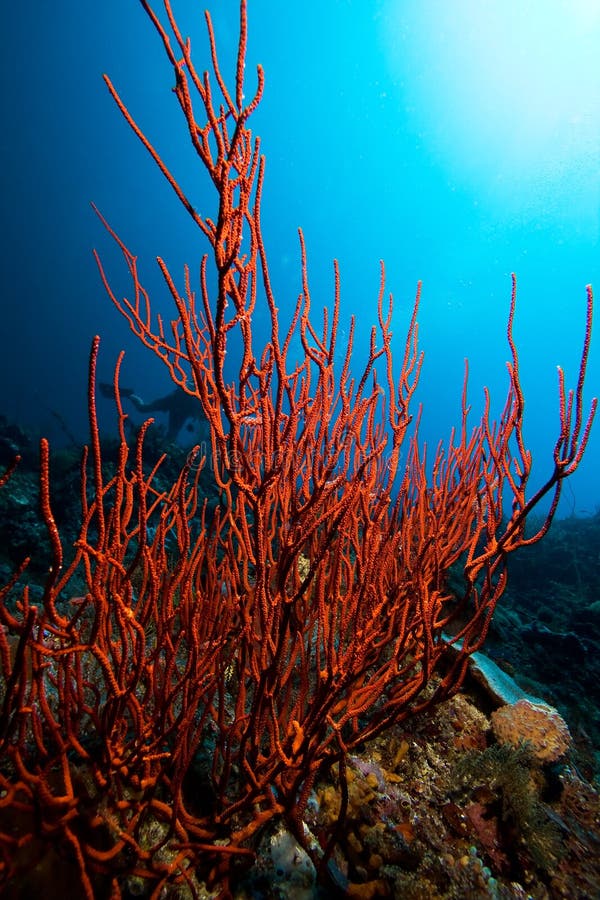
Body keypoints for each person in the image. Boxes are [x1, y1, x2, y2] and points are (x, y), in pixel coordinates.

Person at [99, 383, 206, 443]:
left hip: (181, 411)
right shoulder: (204, 392)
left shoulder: (210, 402)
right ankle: (128, 394)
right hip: (173, 402)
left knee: (171, 436)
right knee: (143, 408)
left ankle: (161, 456)